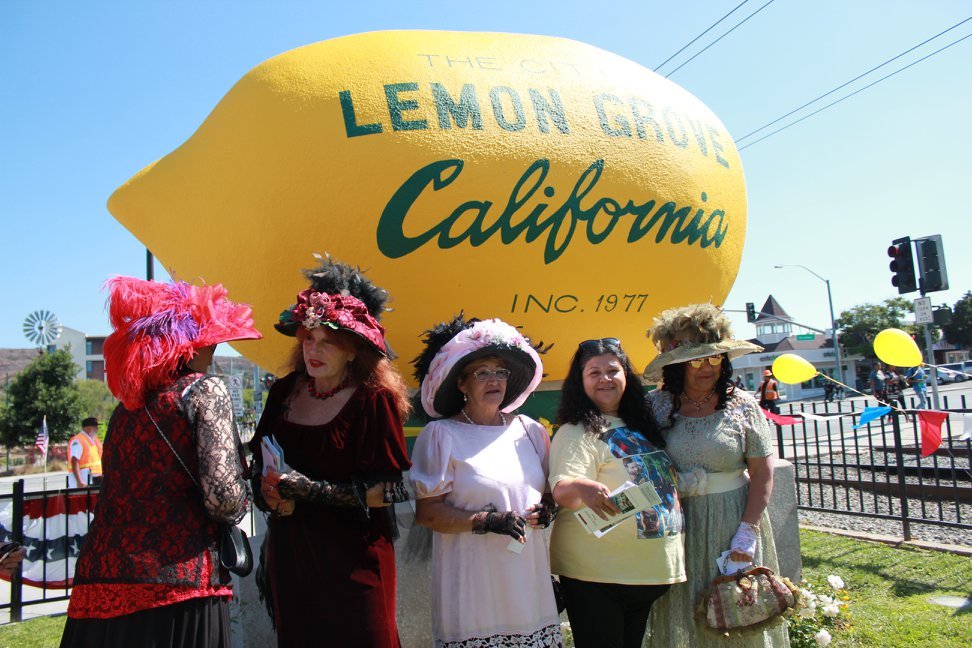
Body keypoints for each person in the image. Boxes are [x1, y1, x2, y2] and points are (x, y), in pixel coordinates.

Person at [61, 277, 259, 648]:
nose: (214, 349)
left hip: (101, 578)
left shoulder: (126, 409)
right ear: (188, 347)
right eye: (210, 342)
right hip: (178, 580)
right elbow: (224, 498)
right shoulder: (205, 390)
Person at [249, 259, 411, 648]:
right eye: (308, 338)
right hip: (293, 555)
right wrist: (267, 492)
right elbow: (259, 463)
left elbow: (389, 490)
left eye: (328, 341)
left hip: (355, 559)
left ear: (355, 350)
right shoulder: (283, 392)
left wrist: (311, 491)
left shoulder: (376, 401)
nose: (313, 350)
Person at [409, 315, 562, 647]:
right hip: (472, 587)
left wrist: (548, 510)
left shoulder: (530, 431)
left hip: (527, 579)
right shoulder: (441, 435)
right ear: (461, 383)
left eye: (500, 372)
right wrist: (486, 520)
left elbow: (549, 493)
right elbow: (427, 513)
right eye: (482, 373)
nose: (494, 380)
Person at [643, 303, 789, 647]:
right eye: (696, 359)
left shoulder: (743, 405)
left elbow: (762, 471)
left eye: (713, 358)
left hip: (730, 522)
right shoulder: (656, 406)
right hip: (677, 525)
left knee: (733, 608)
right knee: (682, 612)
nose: (706, 367)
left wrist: (747, 532)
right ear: (677, 363)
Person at [549, 338, 684, 648]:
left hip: (645, 574)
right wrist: (581, 487)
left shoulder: (642, 424)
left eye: (612, 370)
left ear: (626, 375)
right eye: (593, 372)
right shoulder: (576, 431)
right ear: (580, 382)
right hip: (600, 578)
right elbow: (563, 490)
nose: (605, 379)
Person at [68, 417, 103, 488]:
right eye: (95, 427)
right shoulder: (78, 440)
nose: (97, 429)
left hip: (96, 478)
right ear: (87, 428)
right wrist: (79, 481)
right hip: (85, 479)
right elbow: (74, 461)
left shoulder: (94, 439)